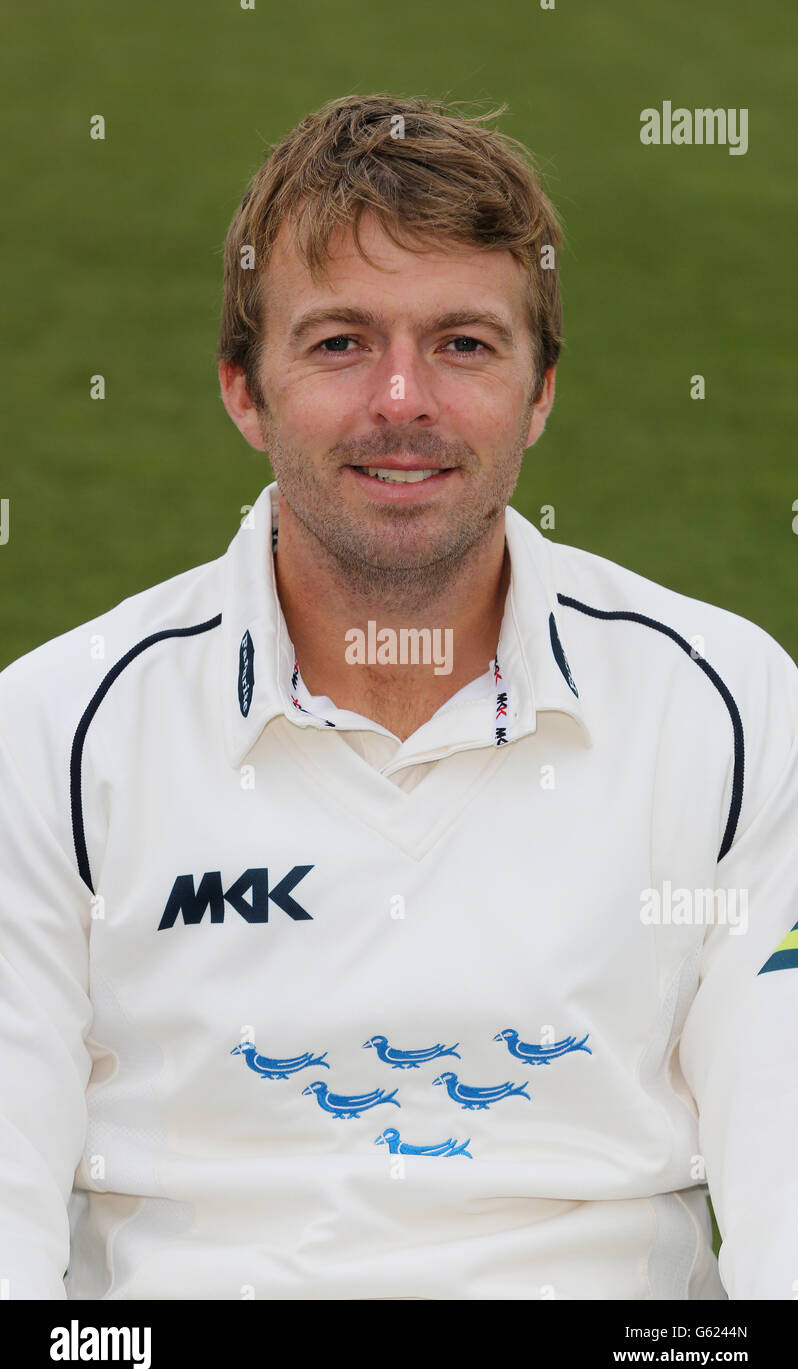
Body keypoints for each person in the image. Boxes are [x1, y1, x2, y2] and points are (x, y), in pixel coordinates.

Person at [1, 92, 796, 1302]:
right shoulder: (53, 732)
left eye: (464, 344)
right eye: (339, 343)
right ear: (242, 389)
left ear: (539, 393)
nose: (401, 402)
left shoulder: (730, 707)